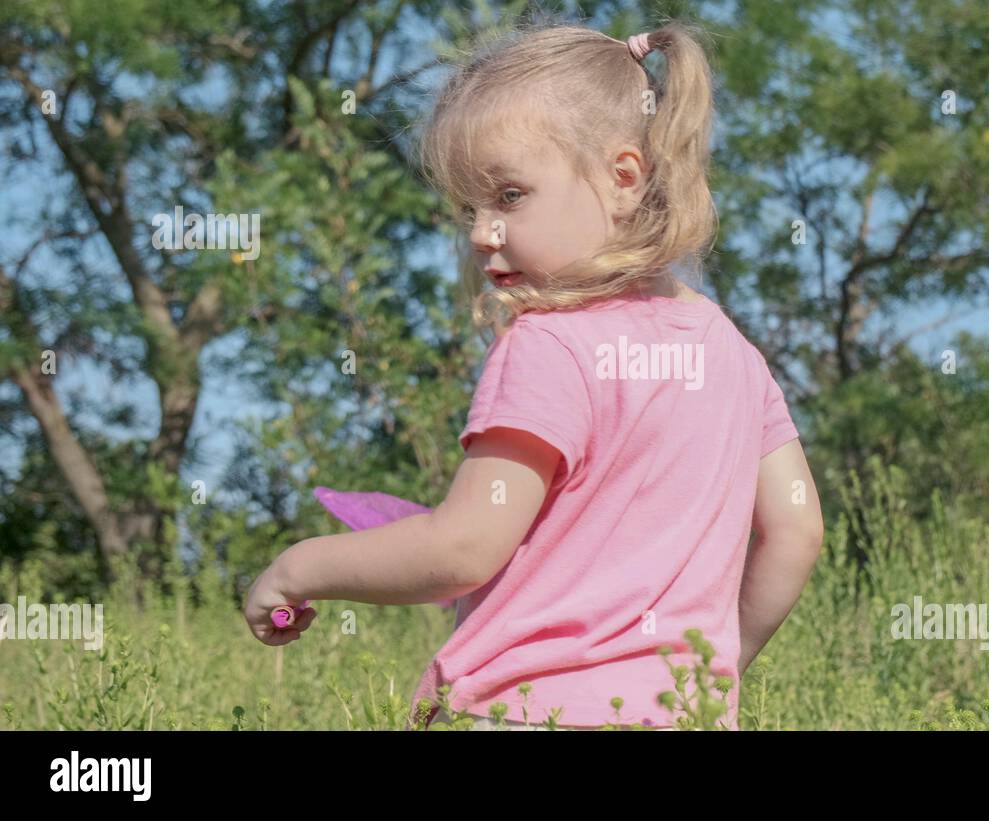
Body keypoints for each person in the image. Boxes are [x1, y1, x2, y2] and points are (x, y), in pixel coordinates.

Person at [244, 20, 824, 732]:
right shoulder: (730, 350)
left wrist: (300, 566)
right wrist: (711, 669)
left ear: (621, 180)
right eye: (467, 207)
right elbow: (796, 528)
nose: (480, 232)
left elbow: (464, 546)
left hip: (525, 711)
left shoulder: (547, 345)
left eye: (509, 196)